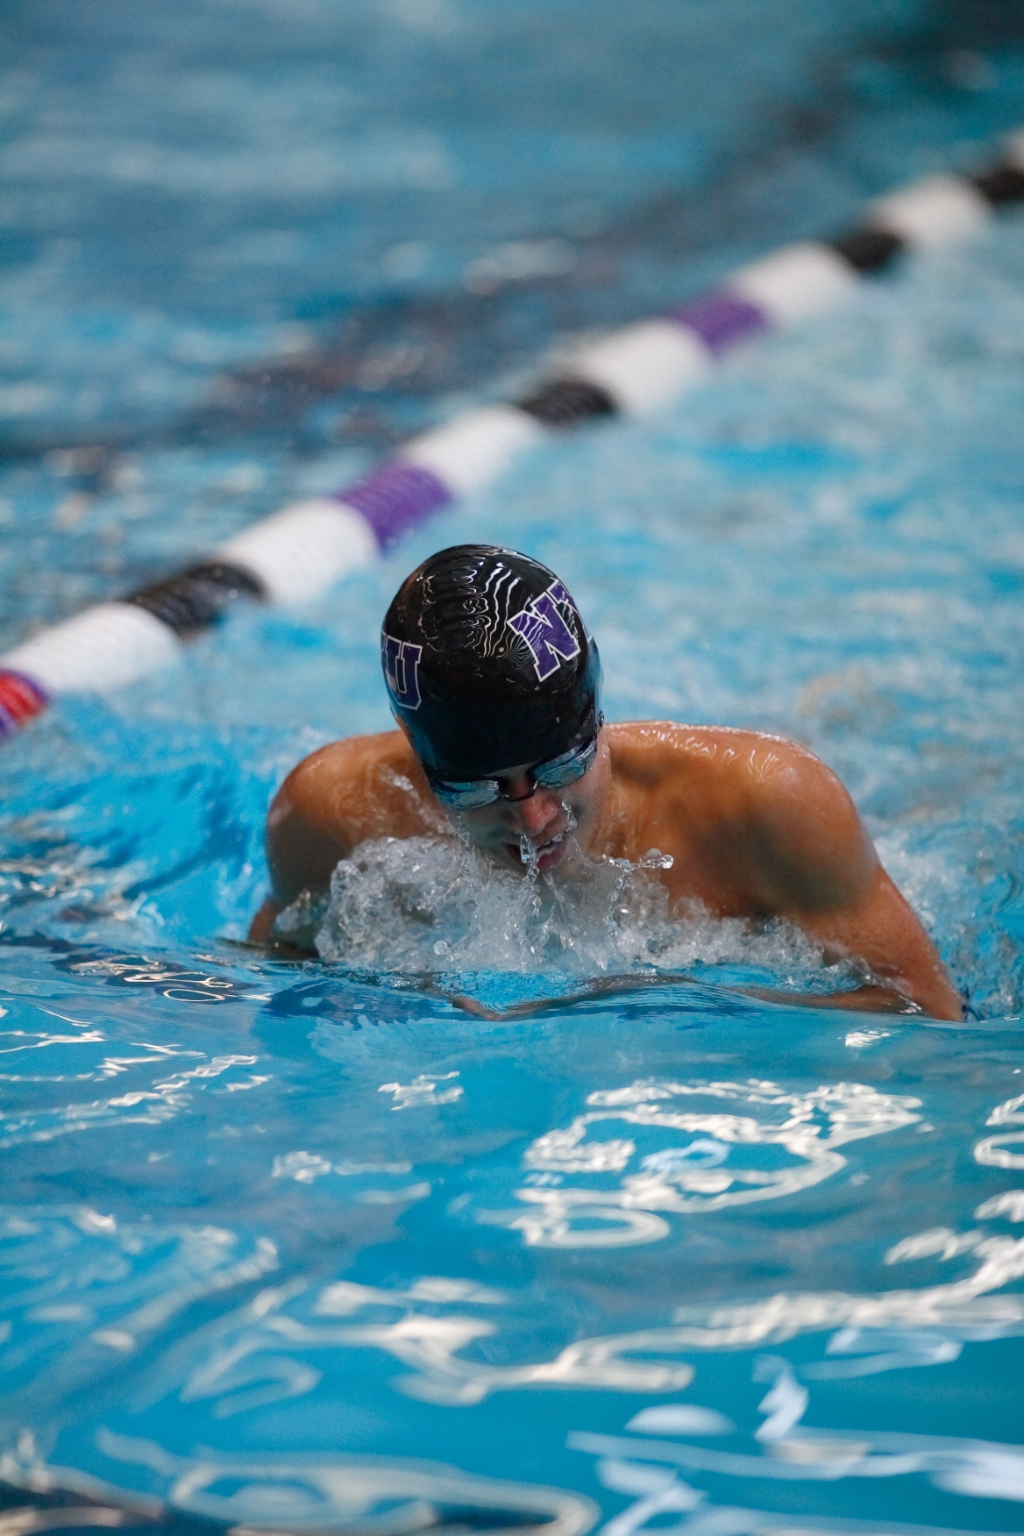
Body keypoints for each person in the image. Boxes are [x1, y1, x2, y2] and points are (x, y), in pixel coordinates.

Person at [248, 544, 962, 1020]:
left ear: (596, 719)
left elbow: (928, 1011)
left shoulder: (768, 803)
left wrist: (669, 1006)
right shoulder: (332, 813)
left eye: (561, 769)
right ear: (418, 757)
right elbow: (282, 985)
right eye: (475, 791)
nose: (534, 823)